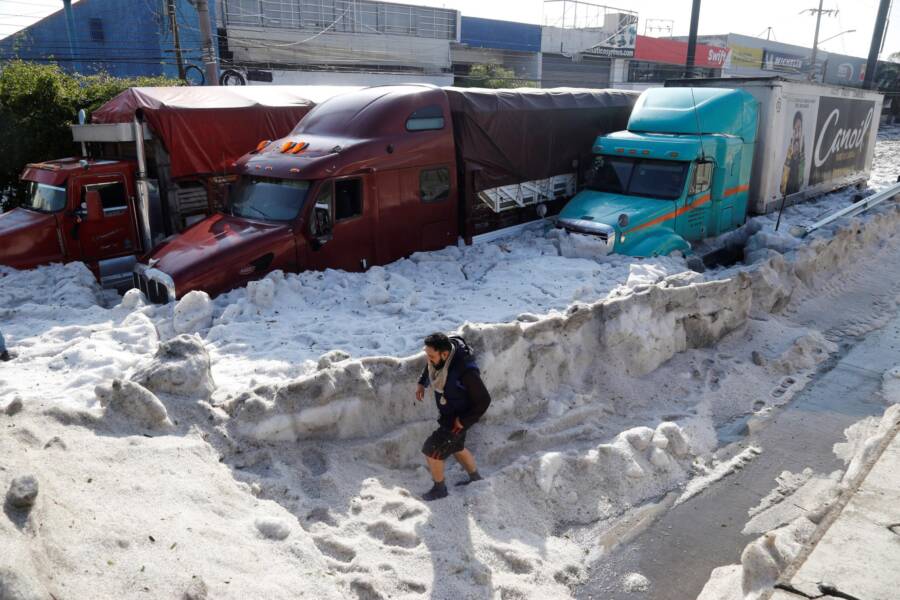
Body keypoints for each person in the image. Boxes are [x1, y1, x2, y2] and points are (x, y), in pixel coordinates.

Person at [415, 333, 491, 501]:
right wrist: (422, 382)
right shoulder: (439, 359)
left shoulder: (465, 370)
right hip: (448, 414)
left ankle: (439, 489)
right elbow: (430, 366)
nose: (428, 358)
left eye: (431, 355)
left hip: (459, 418)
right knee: (456, 447)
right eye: (427, 354)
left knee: (432, 450)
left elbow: (484, 400)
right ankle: (475, 478)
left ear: (445, 354)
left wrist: (463, 421)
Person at [780, 110, 806, 197]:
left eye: (799, 129)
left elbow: (802, 172)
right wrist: (791, 154)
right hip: (788, 189)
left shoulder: (802, 147)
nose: (797, 133)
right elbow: (784, 171)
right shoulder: (789, 147)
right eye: (795, 129)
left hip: (797, 188)